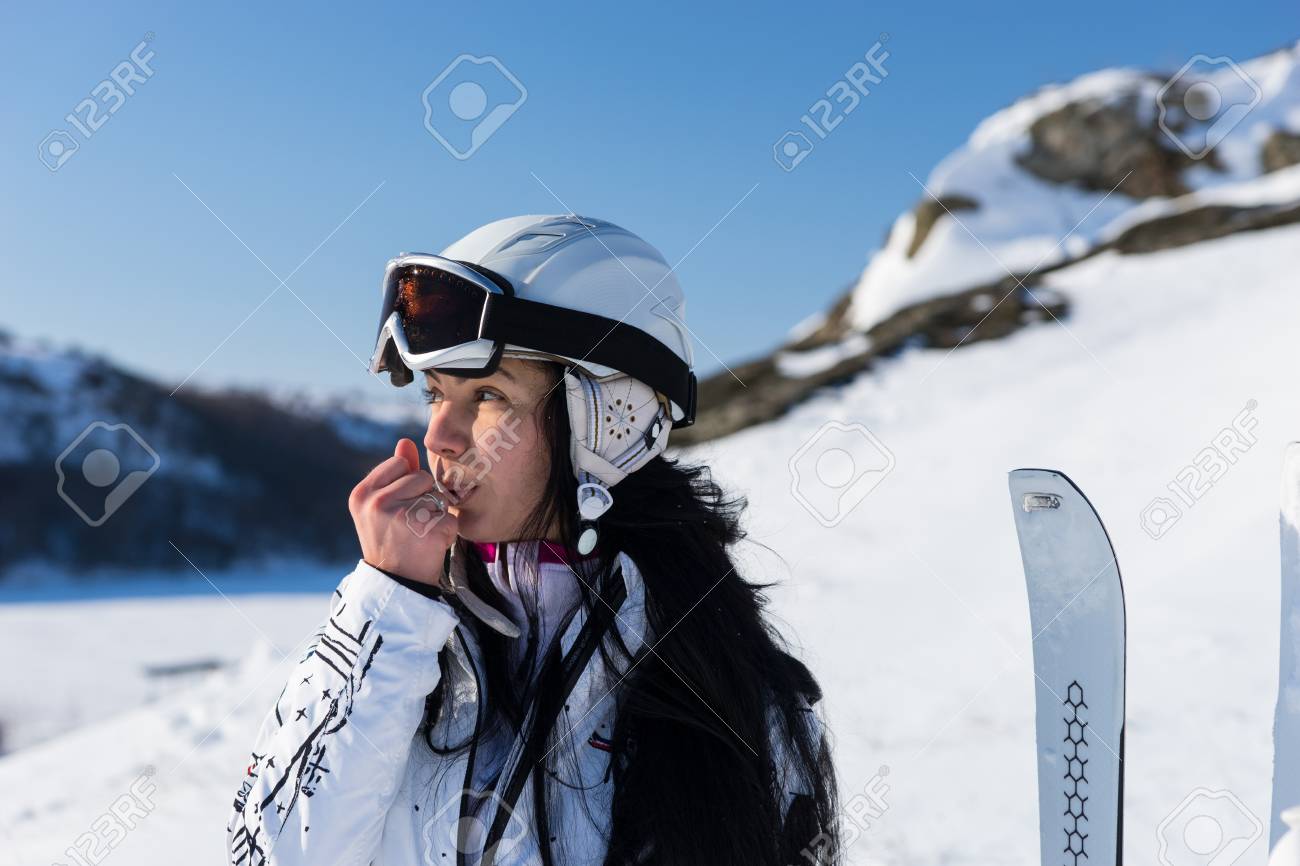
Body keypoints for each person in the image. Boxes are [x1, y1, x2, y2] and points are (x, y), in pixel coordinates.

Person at [225, 214, 840, 866]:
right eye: (436, 394)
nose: (440, 437)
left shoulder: (746, 699)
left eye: (487, 394)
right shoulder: (400, 650)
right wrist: (388, 609)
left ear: (608, 417)